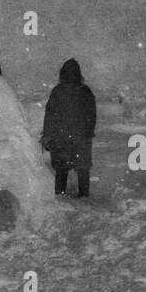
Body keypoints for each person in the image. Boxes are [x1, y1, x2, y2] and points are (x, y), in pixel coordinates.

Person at [39, 58, 96, 197]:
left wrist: (48, 135)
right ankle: (84, 197)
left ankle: (61, 196)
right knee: (82, 170)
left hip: (61, 137)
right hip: (80, 137)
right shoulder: (85, 91)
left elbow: (50, 115)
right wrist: (87, 132)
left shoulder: (58, 91)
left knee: (61, 170)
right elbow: (91, 115)